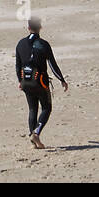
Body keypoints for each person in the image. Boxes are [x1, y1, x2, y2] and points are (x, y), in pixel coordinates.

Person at [15, 17, 68, 150]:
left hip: (25, 81)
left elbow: (18, 65)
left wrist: (19, 81)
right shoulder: (43, 44)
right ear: (40, 27)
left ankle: (33, 141)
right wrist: (61, 79)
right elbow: (52, 64)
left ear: (28, 28)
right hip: (40, 82)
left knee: (32, 109)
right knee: (46, 108)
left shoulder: (20, 44)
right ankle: (36, 134)